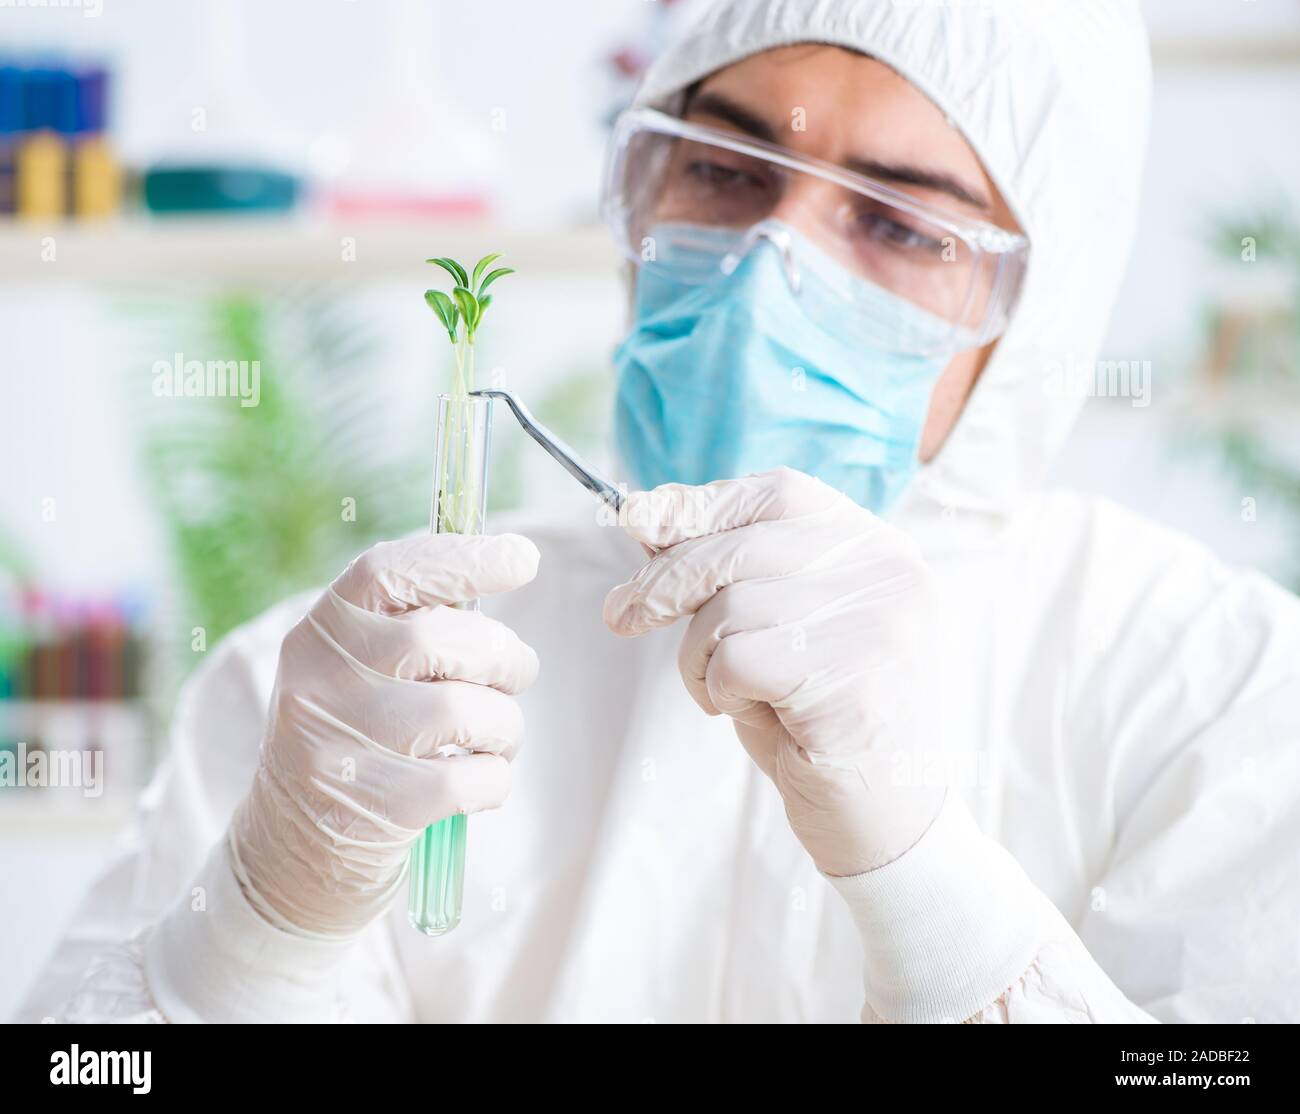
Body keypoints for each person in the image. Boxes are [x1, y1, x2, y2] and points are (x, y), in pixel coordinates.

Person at [23, 0, 1300, 1024]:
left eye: (897, 226)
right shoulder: (347, 691)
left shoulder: (1210, 691)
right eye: (724, 172)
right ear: (640, 191)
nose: (767, 270)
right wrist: (261, 921)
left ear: (1037, 322)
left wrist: (927, 884)